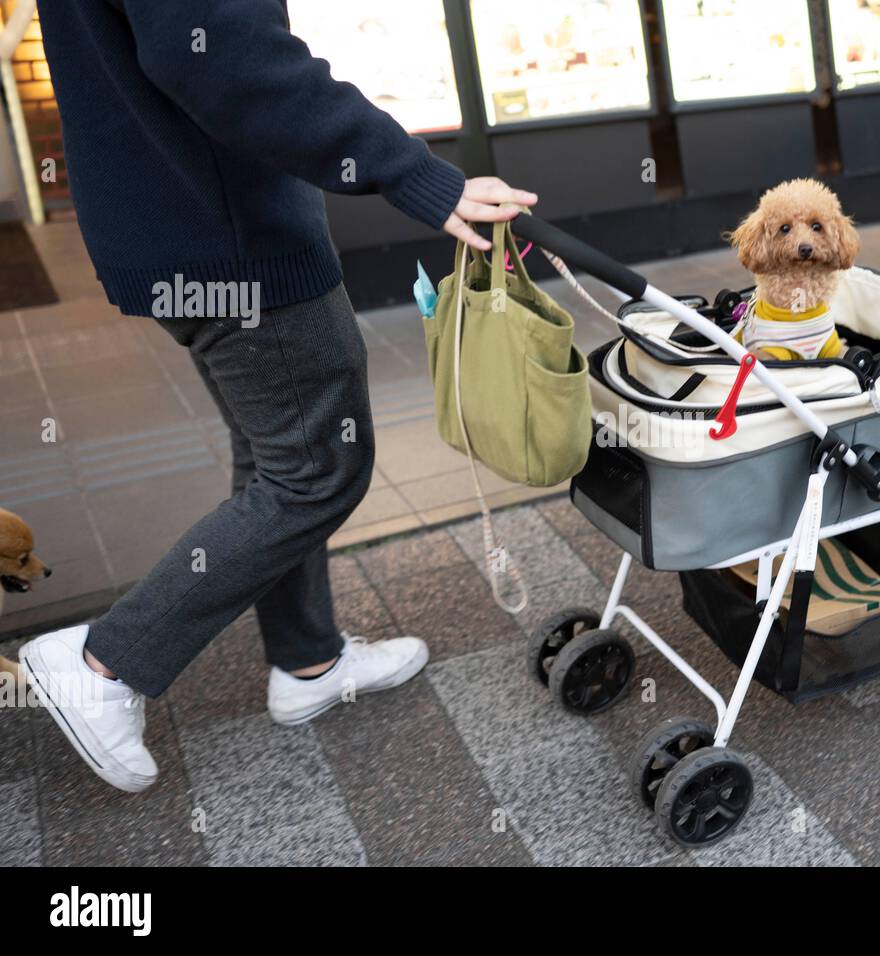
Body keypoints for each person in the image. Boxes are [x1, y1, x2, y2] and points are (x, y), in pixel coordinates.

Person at [19, 0, 536, 792]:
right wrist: (415, 175)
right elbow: (226, 58)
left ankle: (308, 660)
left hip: (172, 230)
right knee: (320, 469)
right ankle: (106, 660)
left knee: (276, 458)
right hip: (233, 241)